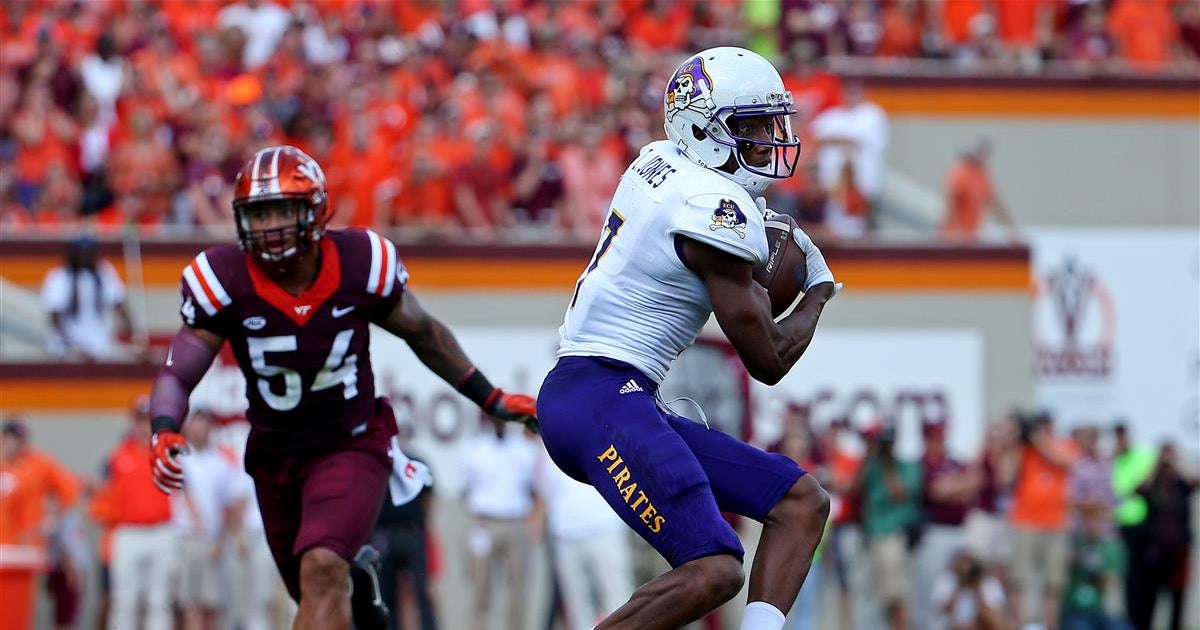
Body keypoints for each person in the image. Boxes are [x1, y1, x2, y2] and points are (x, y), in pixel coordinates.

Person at [147, 145, 537, 630]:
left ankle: (351, 589)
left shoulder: (359, 262)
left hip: (350, 443)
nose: (269, 226)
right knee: (316, 595)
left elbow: (422, 332)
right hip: (275, 457)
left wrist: (491, 397)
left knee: (322, 568)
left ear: (313, 211)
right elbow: (179, 370)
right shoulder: (224, 279)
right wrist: (163, 426)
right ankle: (362, 604)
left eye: (281, 211)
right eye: (259, 213)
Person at [537, 47, 836, 630]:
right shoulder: (712, 207)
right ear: (705, 128)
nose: (767, 141)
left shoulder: (660, 160)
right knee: (715, 567)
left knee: (800, 502)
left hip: (603, 393)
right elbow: (768, 359)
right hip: (602, 395)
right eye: (750, 127)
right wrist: (820, 289)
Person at [0, 417, 81, 630]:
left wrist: (50, 519)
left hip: (25, 550)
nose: (16, 444)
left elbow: (69, 490)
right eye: (11, 438)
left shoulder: (37, 463)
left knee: (19, 610)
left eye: (21, 439)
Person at [459, 418, 539, 630]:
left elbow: (533, 488)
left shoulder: (523, 449)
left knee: (517, 587)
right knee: (480, 586)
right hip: (485, 522)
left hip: (515, 522)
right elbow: (466, 488)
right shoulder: (473, 449)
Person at [39, 235, 142, 361]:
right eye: (81, 253)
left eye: (89, 252)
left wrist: (135, 338)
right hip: (67, 347)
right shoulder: (59, 276)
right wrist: (71, 345)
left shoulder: (104, 272)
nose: (85, 257)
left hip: (99, 345)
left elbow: (119, 304)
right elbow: (55, 315)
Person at [940, 138, 1019, 242]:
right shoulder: (960, 173)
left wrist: (1011, 229)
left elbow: (996, 205)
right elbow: (950, 206)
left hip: (972, 237)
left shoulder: (981, 175)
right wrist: (949, 235)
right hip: (956, 238)